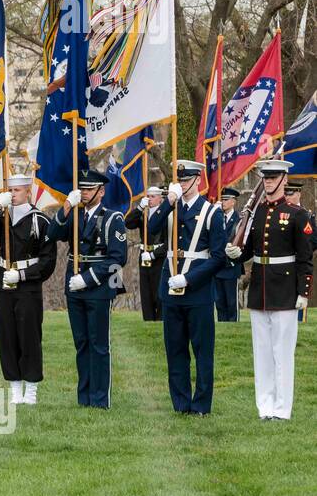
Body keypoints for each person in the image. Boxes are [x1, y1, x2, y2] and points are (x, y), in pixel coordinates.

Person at [227, 160, 314, 419]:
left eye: (273, 176)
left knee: (283, 353)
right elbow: (249, 249)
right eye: (265, 176)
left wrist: (303, 292)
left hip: (286, 289)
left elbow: (305, 257)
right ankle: (264, 406)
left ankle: (282, 409)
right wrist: (235, 253)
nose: (267, 181)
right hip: (260, 288)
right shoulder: (257, 212)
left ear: (284, 179)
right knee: (262, 353)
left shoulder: (298, 214)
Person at [147, 161, 227, 415]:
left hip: (198, 292)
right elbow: (151, 229)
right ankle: (181, 403)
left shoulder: (211, 212)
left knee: (202, 351)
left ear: (198, 180)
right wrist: (169, 200)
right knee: (175, 350)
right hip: (170, 289)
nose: (182, 183)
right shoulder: (171, 208)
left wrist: (190, 279)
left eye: (186, 179)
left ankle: (201, 404)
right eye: (179, 180)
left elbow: (218, 258)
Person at [47, 168, 128, 409]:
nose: (83, 193)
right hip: (73, 285)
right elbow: (52, 234)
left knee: (99, 344)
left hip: (99, 287)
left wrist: (88, 278)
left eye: (89, 189)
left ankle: (100, 399)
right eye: (81, 189)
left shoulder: (113, 218)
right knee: (81, 343)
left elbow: (117, 258)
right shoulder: (75, 215)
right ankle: (84, 397)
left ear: (101, 191)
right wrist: (65, 207)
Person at [0, 174, 57, 404]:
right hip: (4, 281)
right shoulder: (3, 215)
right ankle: (14, 389)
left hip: (28, 285)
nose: (13, 194)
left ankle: (30, 390)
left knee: (29, 335)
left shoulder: (40, 220)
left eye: (18, 190)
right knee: (7, 336)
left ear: (28, 191)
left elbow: (48, 262)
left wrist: (22, 275)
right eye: (10, 191)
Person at [125, 185, 167, 321]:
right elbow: (128, 223)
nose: (149, 199)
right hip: (144, 255)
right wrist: (139, 208)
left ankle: (160, 320)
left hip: (160, 256)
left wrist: (154, 254)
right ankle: (148, 320)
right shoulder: (143, 213)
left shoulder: (167, 214)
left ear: (161, 199)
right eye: (148, 196)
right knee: (146, 292)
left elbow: (169, 242)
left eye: (153, 196)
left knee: (159, 291)